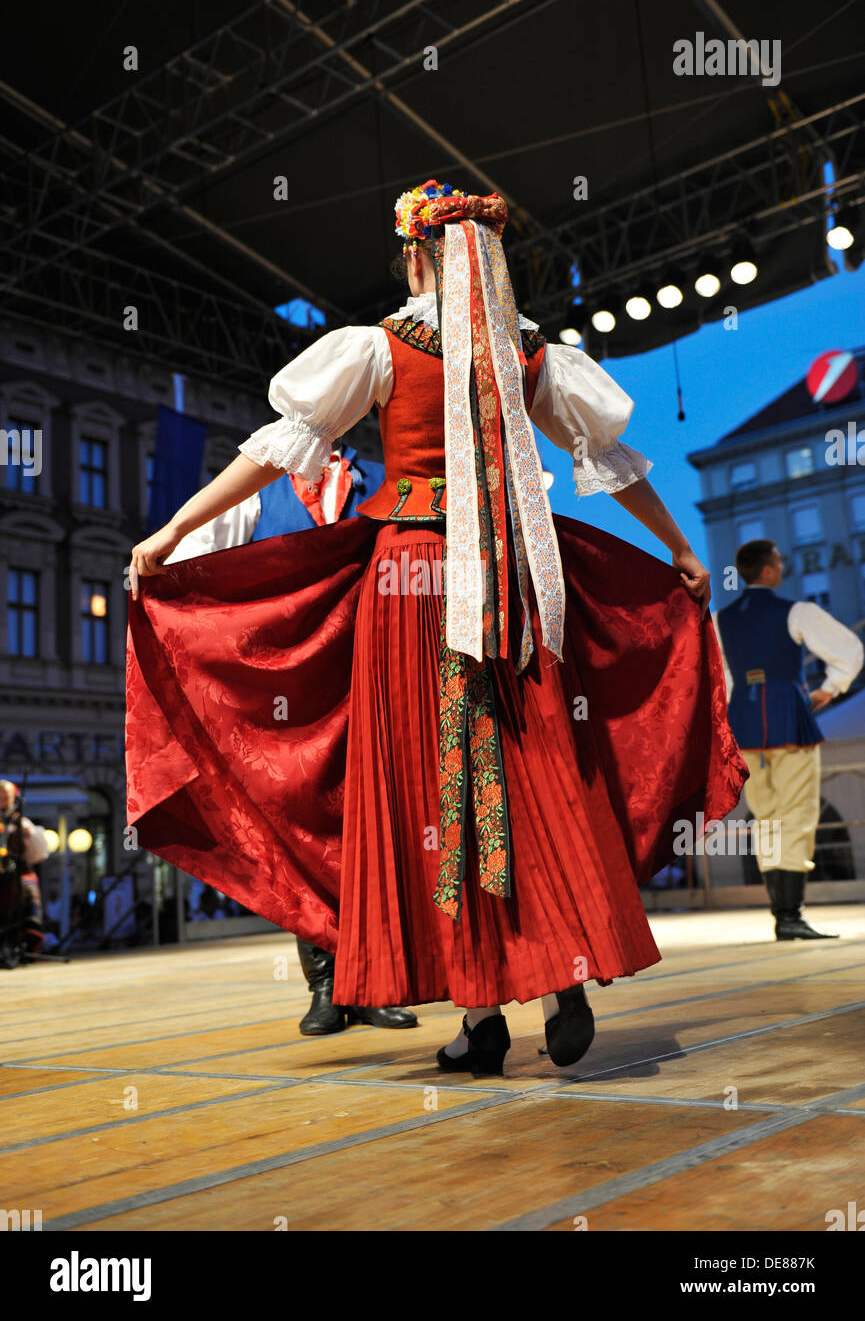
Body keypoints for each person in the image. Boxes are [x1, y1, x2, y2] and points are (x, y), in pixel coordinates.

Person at [127, 179, 747, 1076]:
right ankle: (558, 975)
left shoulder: (380, 348)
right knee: (531, 765)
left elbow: (274, 448)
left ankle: (481, 1014)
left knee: (425, 786)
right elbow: (607, 463)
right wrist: (681, 551)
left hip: (408, 581)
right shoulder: (529, 353)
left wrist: (175, 530)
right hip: (514, 574)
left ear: (415, 257)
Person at [167, 446, 419, 1037]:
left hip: (374, 674)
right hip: (291, 688)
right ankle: (326, 985)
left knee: (375, 826)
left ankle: (377, 982)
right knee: (301, 832)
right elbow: (191, 561)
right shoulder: (256, 491)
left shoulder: (390, 483)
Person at [715, 540, 863, 940]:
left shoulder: (719, 619)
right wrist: (831, 689)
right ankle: (791, 915)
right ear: (767, 570)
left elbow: (722, 679)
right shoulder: (797, 611)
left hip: (745, 721)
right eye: (778, 561)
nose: (781, 567)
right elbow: (850, 651)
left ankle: (781, 913)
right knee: (797, 813)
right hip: (789, 715)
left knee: (765, 817)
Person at [0, 779, 49, 958]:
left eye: (6, 797)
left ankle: (26, 939)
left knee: (28, 888)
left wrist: (28, 835)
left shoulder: (21, 822)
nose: (3, 801)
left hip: (18, 871)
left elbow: (39, 854)